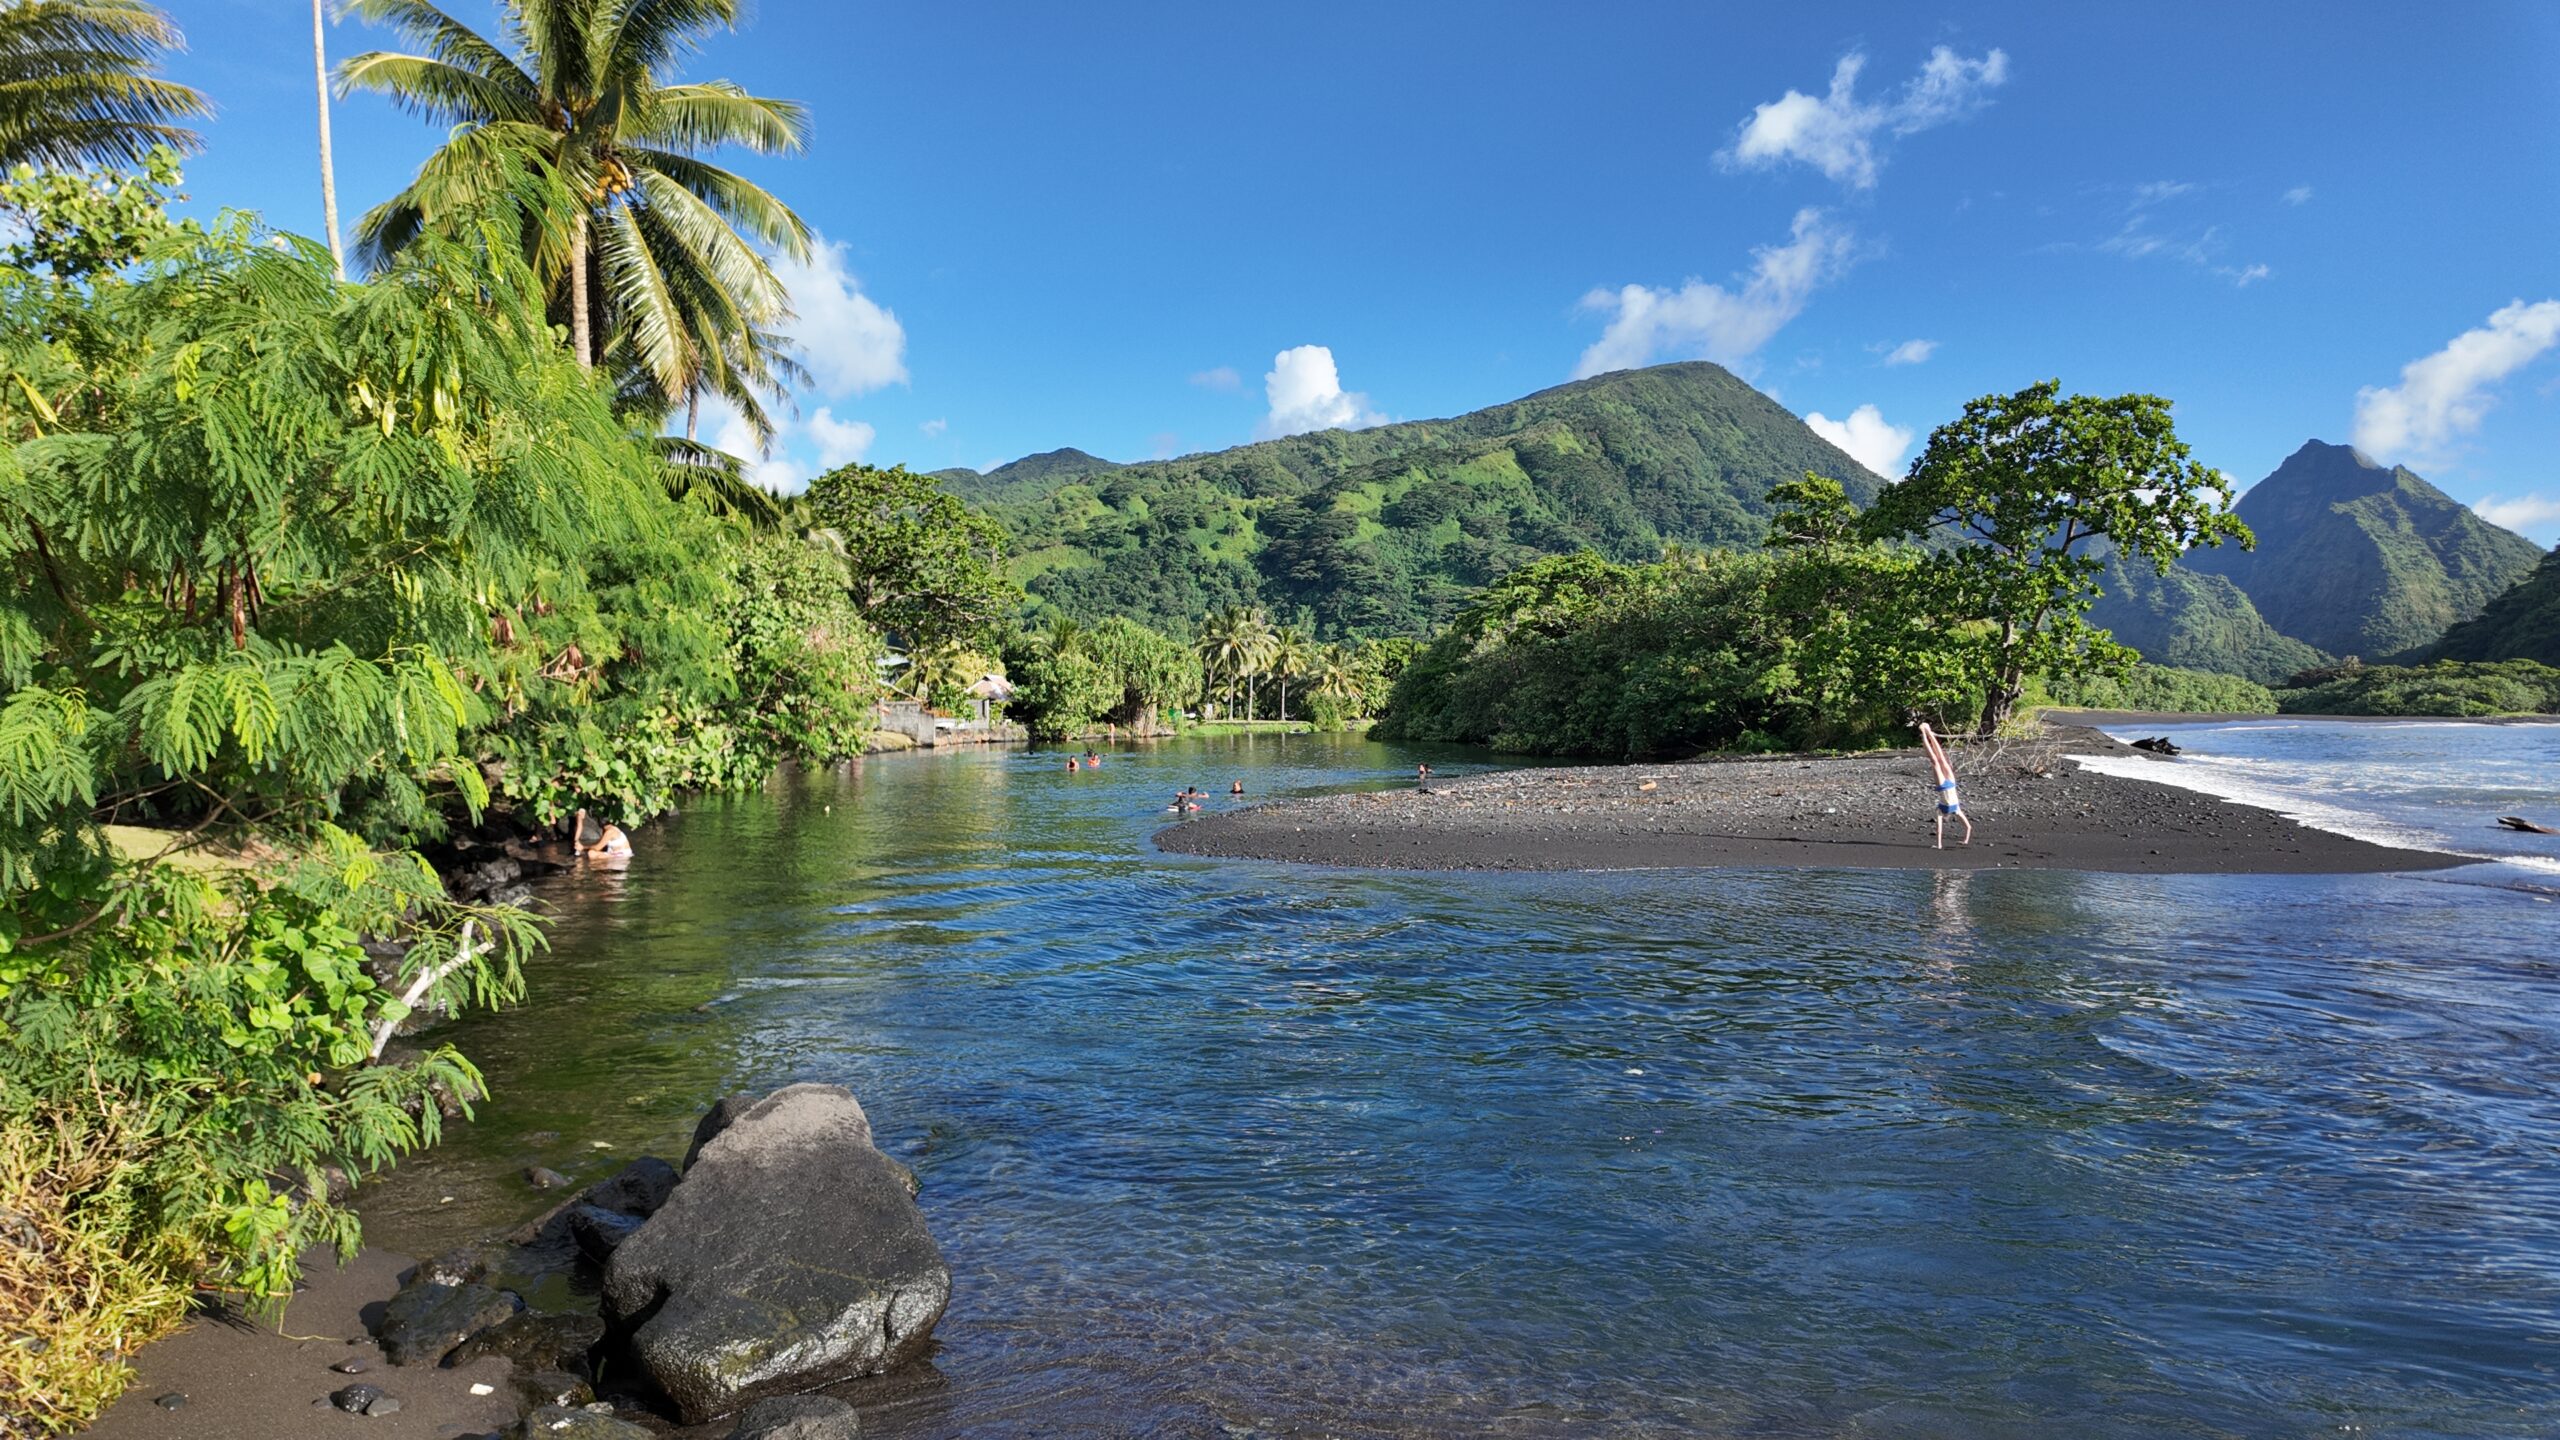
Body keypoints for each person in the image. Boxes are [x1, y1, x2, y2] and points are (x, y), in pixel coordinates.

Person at [1917, 722, 1971, 849]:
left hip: (1944, 785)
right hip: (1951, 784)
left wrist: (1939, 845)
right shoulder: (1956, 811)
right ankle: (1929, 732)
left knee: (1935, 761)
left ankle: (1924, 733)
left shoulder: (1940, 811)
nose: (1945, 820)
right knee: (1941, 758)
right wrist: (1965, 840)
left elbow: (1939, 828)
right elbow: (1968, 827)